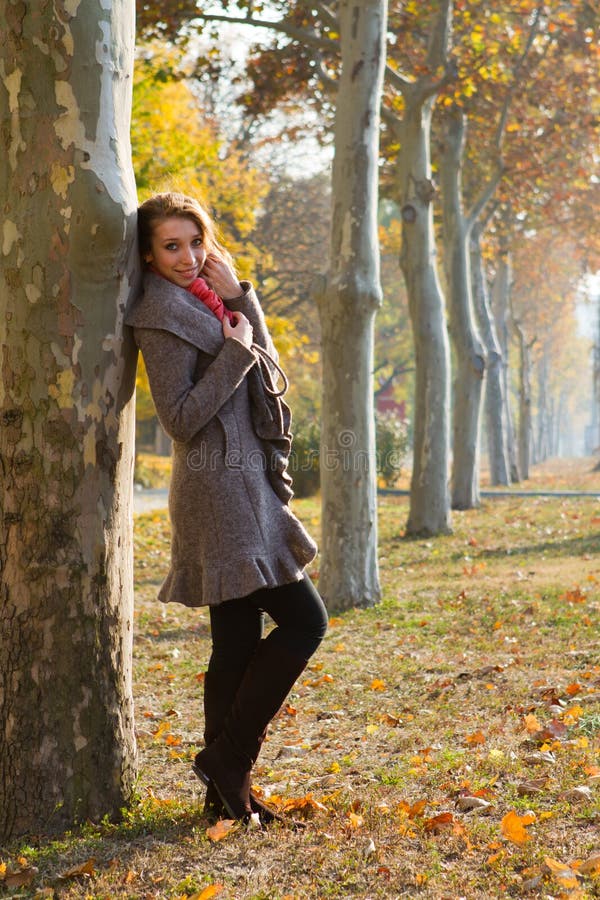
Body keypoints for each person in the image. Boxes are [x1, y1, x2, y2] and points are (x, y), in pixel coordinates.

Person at [126, 192, 328, 825]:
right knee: (305, 622)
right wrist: (233, 351)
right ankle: (228, 759)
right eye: (171, 246)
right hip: (220, 492)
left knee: (236, 643)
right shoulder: (158, 313)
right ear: (148, 254)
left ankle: (226, 798)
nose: (188, 257)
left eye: (195, 242)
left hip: (247, 482)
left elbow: (266, 364)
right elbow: (181, 418)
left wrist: (240, 296)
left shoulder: (208, 298)